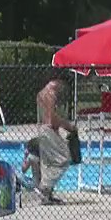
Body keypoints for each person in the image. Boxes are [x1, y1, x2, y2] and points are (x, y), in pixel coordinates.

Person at [34, 76, 71, 205]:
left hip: (42, 129)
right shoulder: (50, 94)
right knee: (64, 158)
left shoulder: (40, 94)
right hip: (49, 130)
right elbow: (51, 119)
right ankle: (44, 187)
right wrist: (68, 126)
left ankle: (47, 196)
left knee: (47, 162)